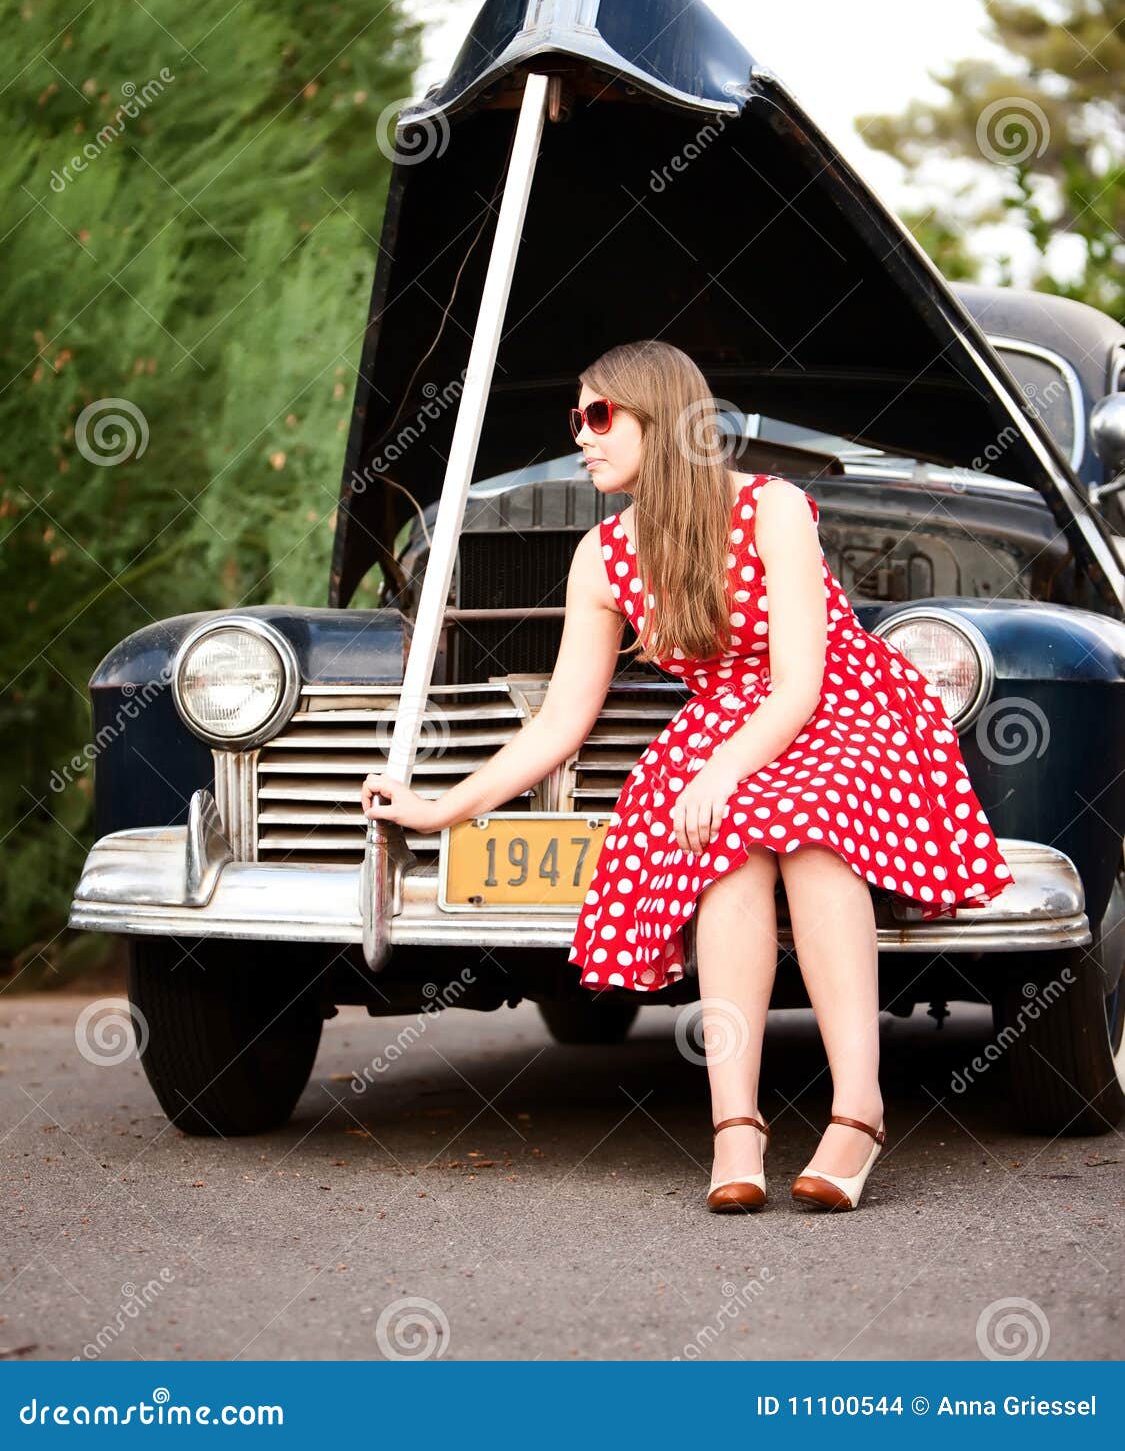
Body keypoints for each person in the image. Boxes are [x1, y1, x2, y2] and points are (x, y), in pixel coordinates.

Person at [361, 340, 1012, 1215]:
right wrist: (443, 807)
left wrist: (720, 774)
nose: (581, 437)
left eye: (600, 416)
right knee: (725, 847)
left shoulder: (771, 508)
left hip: (841, 704)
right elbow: (561, 720)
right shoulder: (600, 557)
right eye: (575, 417)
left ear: (660, 421)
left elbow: (800, 685)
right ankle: (733, 1126)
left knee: (805, 830)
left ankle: (858, 1109)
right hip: (723, 724)